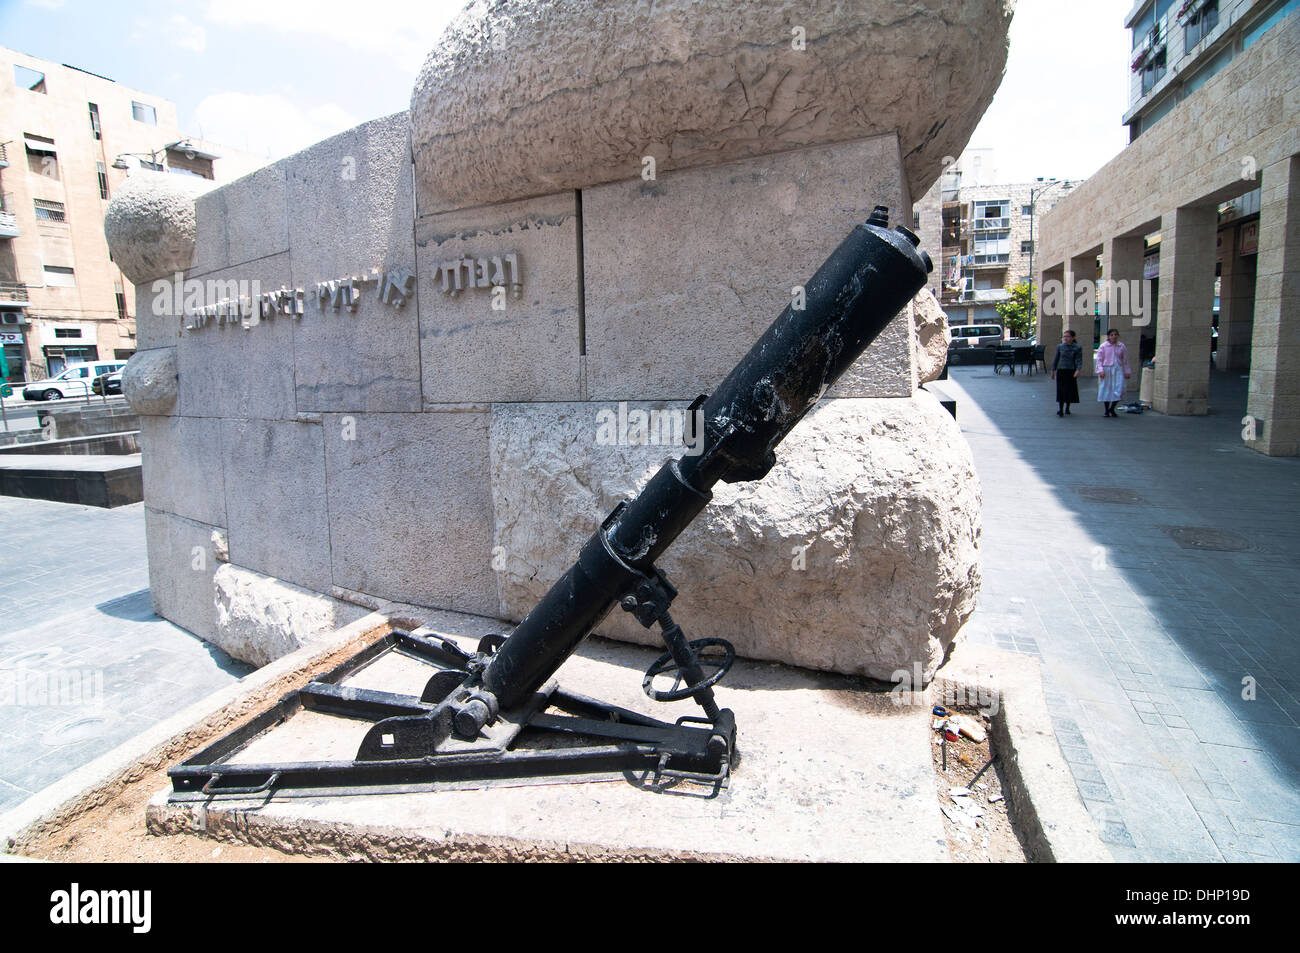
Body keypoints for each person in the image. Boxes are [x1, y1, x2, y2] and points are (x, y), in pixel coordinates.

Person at [1095, 327, 1132, 417]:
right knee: (1106, 389)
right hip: (1107, 369)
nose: (1114, 336)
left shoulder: (1121, 346)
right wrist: (1100, 370)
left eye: (1115, 335)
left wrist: (1127, 371)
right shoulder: (1103, 346)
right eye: (1112, 335)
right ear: (1108, 336)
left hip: (1118, 369)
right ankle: (1106, 410)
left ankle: (1112, 408)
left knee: (1119, 388)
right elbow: (1099, 360)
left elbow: (1125, 360)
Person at [1051, 329, 1082, 416]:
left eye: (1068, 336)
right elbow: (1056, 359)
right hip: (1061, 370)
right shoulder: (1060, 347)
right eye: (1064, 336)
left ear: (1073, 337)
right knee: (1061, 390)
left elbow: (1079, 360)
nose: (1065, 338)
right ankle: (1060, 409)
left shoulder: (1077, 347)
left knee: (1070, 390)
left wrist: (1078, 370)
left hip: (1071, 370)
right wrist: (1053, 370)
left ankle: (1067, 407)